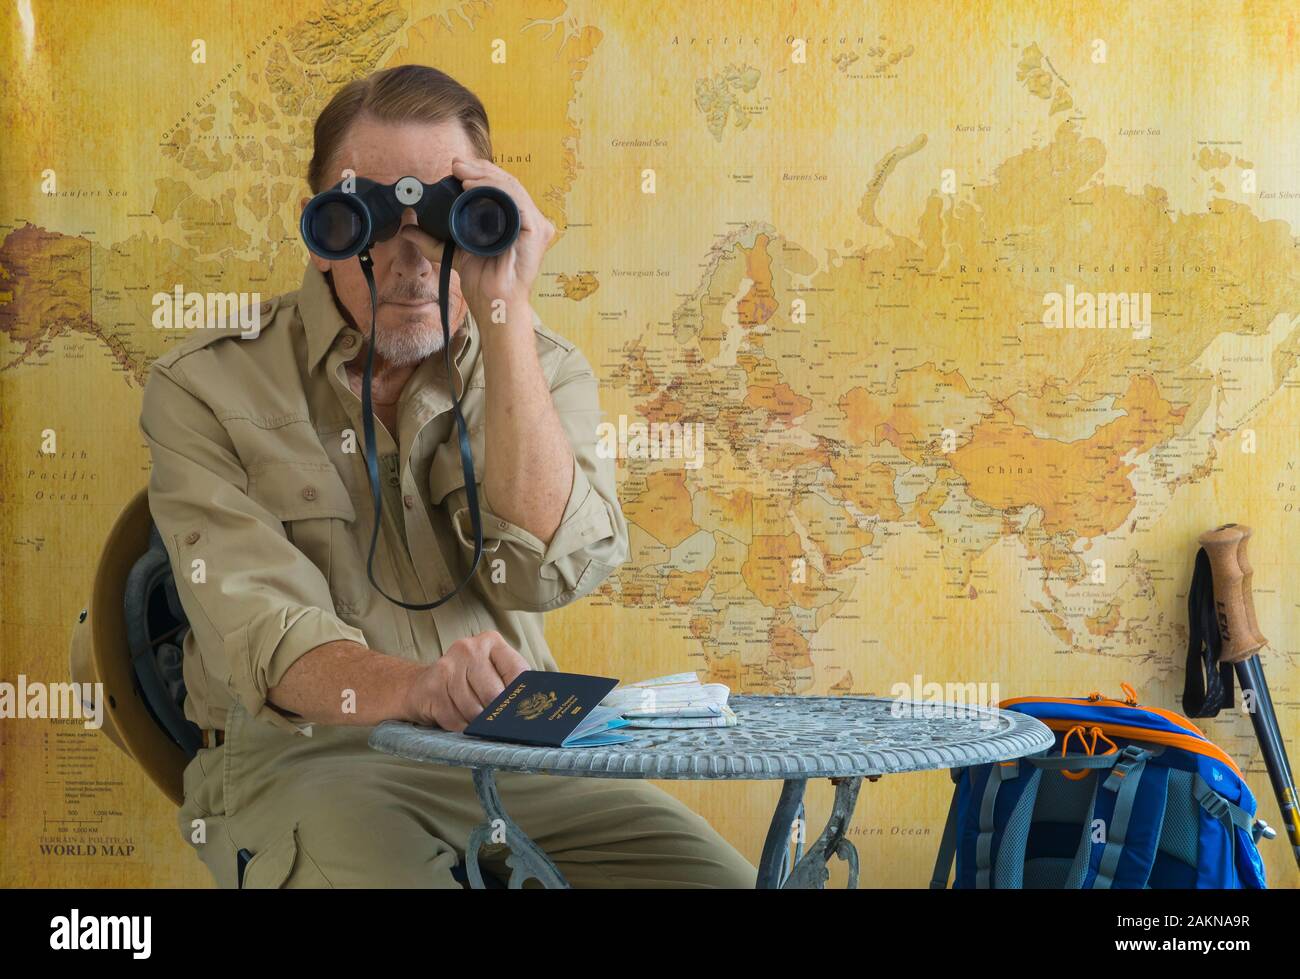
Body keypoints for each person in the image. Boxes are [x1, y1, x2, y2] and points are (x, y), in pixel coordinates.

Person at [142, 64, 755, 888]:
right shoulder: (207, 386)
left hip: (518, 752)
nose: (411, 258)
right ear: (323, 233)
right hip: (312, 759)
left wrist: (505, 310)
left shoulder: (541, 369)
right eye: (366, 216)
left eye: (444, 213)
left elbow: (552, 568)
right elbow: (267, 637)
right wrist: (420, 687)